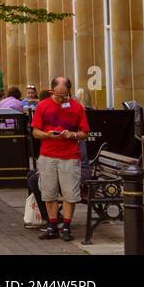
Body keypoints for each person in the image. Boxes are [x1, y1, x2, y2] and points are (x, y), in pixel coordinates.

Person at [32, 76, 89, 242]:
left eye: (65, 96)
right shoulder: (42, 106)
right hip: (48, 155)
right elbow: (35, 132)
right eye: (58, 95)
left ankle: (66, 226)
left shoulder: (77, 107)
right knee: (48, 192)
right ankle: (52, 225)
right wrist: (47, 135)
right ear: (51, 91)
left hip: (69, 156)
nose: (61, 99)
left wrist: (73, 134)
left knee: (69, 193)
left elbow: (85, 133)